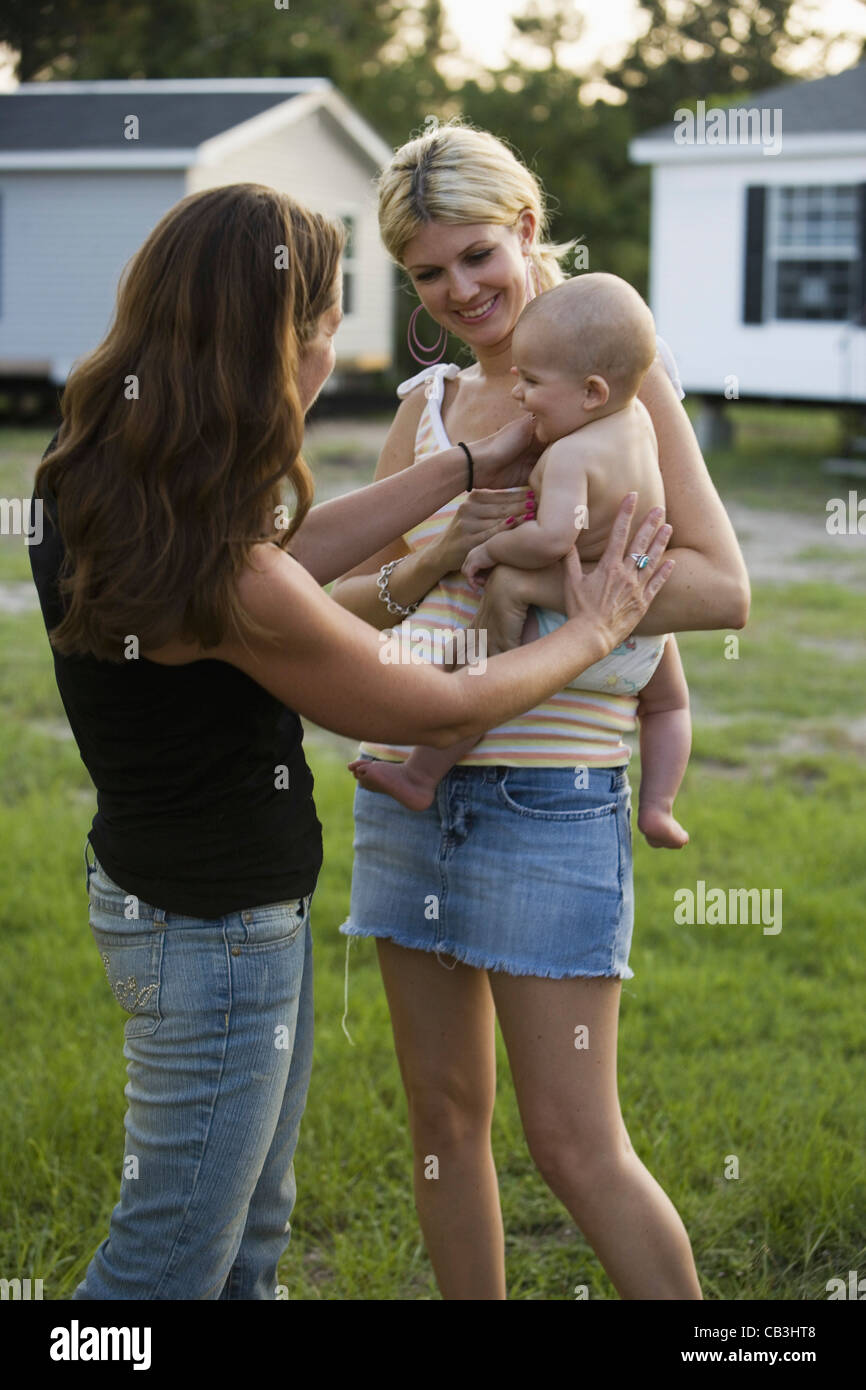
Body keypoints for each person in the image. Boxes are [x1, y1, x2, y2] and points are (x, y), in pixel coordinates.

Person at [28, 181, 672, 1300]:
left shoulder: (99, 472)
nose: (334, 347)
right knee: (168, 1261)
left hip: (175, 896)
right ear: (285, 338)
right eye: (328, 323)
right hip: (218, 932)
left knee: (244, 1247)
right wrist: (602, 627)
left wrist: (467, 466)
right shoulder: (225, 571)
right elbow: (427, 706)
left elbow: (287, 553)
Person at [331, 123, 749, 1300]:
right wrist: (436, 559)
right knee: (441, 1121)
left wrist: (582, 597)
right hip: (405, 789)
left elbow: (723, 587)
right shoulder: (425, 411)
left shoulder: (617, 385)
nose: (459, 290)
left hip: (547, 797)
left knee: (572, 1145)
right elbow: (345, 600)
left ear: (523, 227)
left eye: (475, 255)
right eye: (427, 271)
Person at [350, 272, 690, 851]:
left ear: (590, 393)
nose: (518, 394)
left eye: (531, 382)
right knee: (669, 703)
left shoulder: (567, 455)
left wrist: (491, 549)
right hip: (637, 637)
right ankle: (658, 806)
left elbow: (554, 539)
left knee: (477, 667)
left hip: (561, 636)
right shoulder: (638, 424)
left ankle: (419, 775)